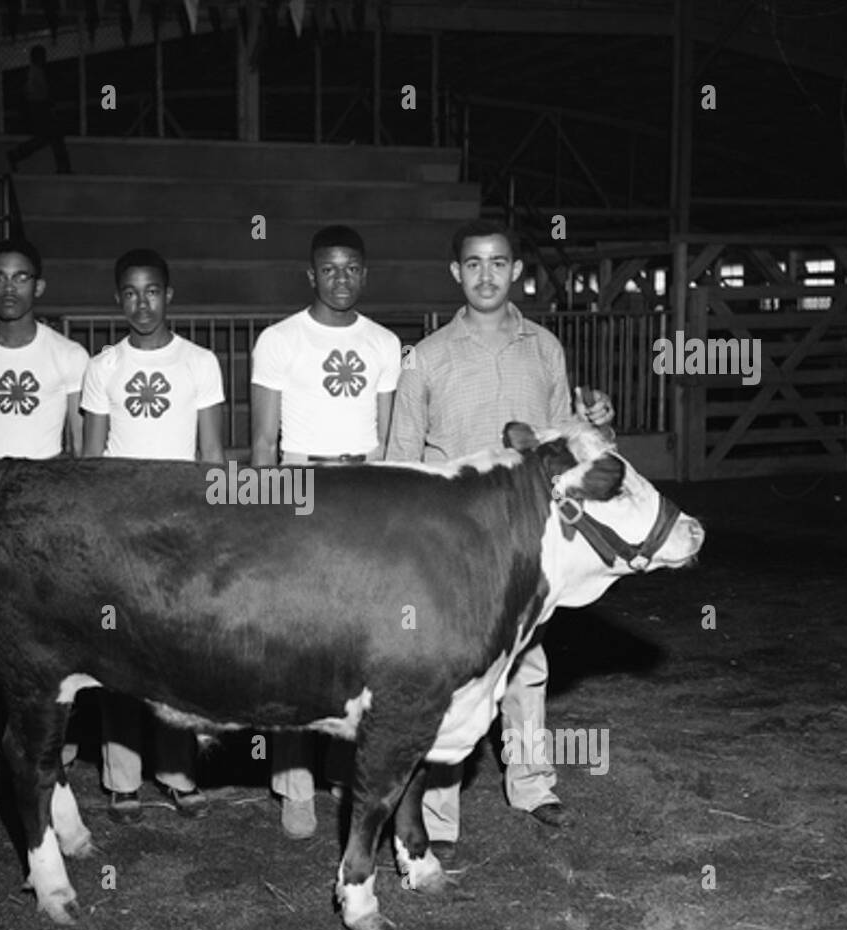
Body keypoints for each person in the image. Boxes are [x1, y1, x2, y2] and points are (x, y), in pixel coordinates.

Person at [386, 220, 614, 859]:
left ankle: (534, 782)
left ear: (517, 271)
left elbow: (562, 437)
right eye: (473, 264)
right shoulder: (426, 357)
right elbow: (402, 460)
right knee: (450, 674)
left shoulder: (544, 348)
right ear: (455, 273)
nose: (486, 275)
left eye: (499, 263)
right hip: (453, 542)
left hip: (523, 536)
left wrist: (594, 422)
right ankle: (436, 809)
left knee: (528, 664)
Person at [250, 225, 402, 839]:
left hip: (364, 489)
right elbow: (262, 441)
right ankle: (293, 785)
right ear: (311, 275)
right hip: (301, 485)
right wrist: (265, 515)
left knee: (362, 645)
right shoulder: (279, 340)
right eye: (329, 269)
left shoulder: (386, 343)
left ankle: (347, 773)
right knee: (298, 645)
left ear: (365, 274)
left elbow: (391, 442)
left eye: (352, 268)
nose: (341, 278)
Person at [80, 248, 225, 823]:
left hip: (180, 525)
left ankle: (178, 771)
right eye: (131, 292)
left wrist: (215, 523)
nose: (143, 302)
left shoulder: (199, 362)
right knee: (118, 653)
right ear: (119, 299)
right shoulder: (103, 367)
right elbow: (90, 458)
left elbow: (212, 454)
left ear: (170, 295)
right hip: (119, 527)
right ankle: (122, 778)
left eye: (153, 291)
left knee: (174, 653)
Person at [0, 237, 89, 792]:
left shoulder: (67, 355)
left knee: (54, 625)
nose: (10, 288)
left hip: (47, 492)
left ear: (39, 286)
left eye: (21, 277)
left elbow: (78, 440)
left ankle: (54, 747)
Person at [7, 45, 73, 175]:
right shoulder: (35, 73)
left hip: (39, 108)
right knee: (50, 137)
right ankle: (63, 168)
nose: (45, 59)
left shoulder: (36, 72)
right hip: (39, 109)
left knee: (48, 138)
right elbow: (36, 93)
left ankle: (17, 154)